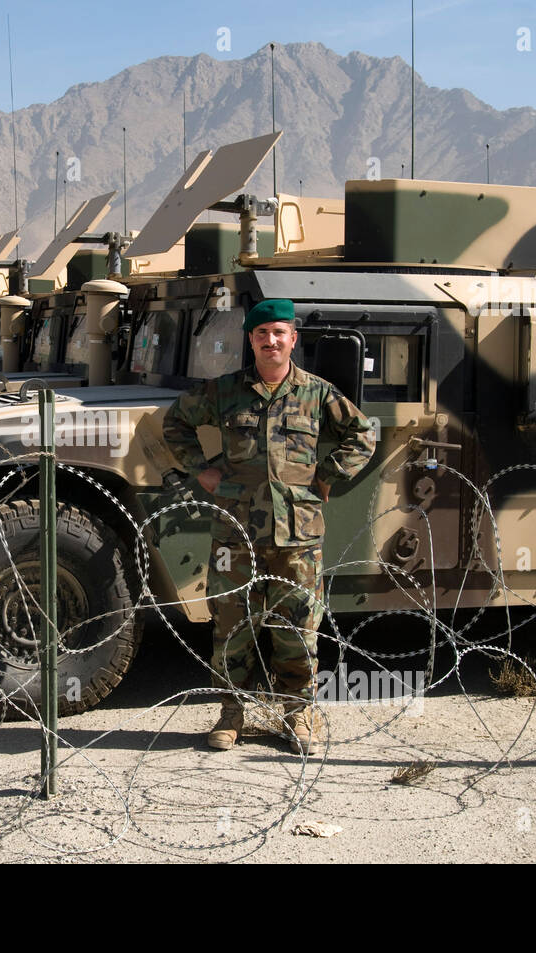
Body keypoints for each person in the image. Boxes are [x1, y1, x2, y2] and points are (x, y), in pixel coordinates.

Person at [162, 298, 375, 753]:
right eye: (262, 334)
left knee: (296, 630)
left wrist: (326, 475)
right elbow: (175, 421)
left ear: (292, 339)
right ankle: (231, 713)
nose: (271, 341)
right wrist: (202, 469)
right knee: (231, 629)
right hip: (236, 535)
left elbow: (363, 435)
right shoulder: (225, 392)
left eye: (279, 333)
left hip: (298, 536)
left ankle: (299, 715)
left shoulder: (318, 394)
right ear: (252, 340)